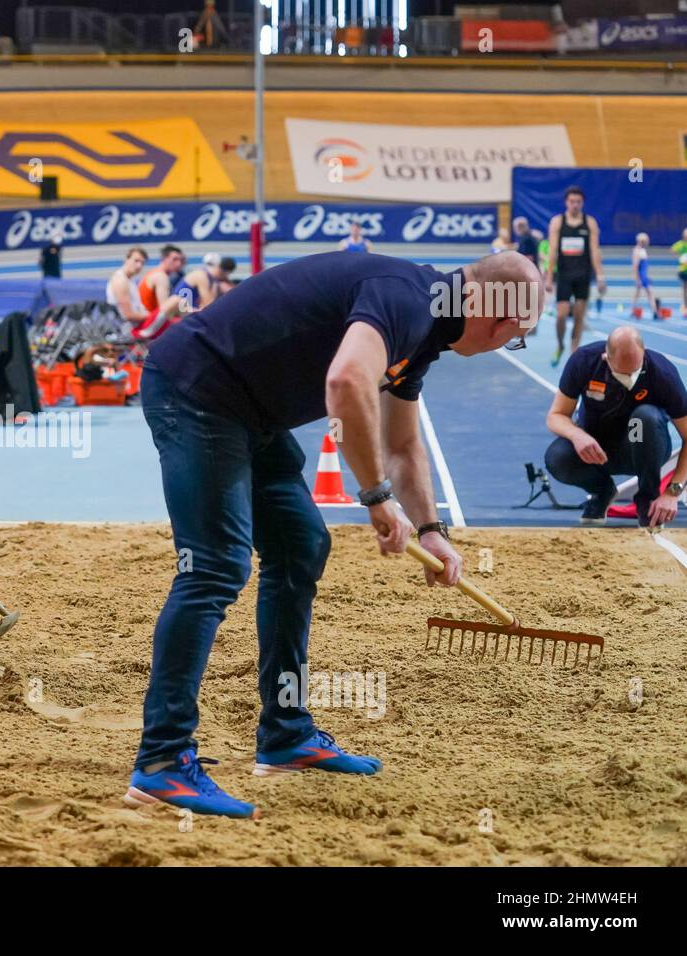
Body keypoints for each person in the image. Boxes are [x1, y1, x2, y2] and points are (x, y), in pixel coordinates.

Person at [122, 250, 541, 818]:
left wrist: (431, 530)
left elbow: (402, 444)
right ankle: (161, 762)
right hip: (197, 389)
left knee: (301, 546)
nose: (502, 346)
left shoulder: (428, 331)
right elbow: (345, 381)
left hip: (250, 412)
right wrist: (374, 497)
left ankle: (285, 735)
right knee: (216, 566)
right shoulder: (407, 299)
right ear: (492, 316)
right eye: (513, 337)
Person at [544, 326, 687, 527]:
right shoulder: (584, 362)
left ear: (644, 354)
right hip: (596, 449)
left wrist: (673, 492)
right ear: (606, 358)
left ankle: (648, 499)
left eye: (635, 370)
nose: (629, 378)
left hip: (641, 447)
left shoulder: (662, 373)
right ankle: (603, 491)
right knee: (557, 457)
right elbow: (556, 416)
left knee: (644, 418)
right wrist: (577, 435)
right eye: (622, 373)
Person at [546, 186, 606, 367]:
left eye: (578, 202)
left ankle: (574, 352)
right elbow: (553, 251)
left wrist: (600, 275)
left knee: (579, 316)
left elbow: (595, 251)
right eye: (572, 202)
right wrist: (549, 277)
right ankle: (560, 344)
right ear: (566, 202)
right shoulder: (557, 222)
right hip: (564, 275)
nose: (575, 205)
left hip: (583, 275)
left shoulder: (590, 223)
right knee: (561, 315)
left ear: (582, 203)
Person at [138, 244, 186, 315]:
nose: (179, 263)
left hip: (150, 317)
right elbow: (165, 311)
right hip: (149, 319)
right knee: (177, 301)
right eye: (175, 259)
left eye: (180, 260)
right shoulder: (161, 276)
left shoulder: (154, 273)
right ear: (164, 259)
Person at [629, 233, 663, 321]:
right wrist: (638, 279)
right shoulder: (637, 251)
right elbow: (635, 266)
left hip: (643, 275)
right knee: (650, 293)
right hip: (641, 276)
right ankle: (655, 311)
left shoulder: (642, 250)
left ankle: (633, 310)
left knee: (638, 294)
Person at [672, 227, 687, 319]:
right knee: (685, 289)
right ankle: (685, 307)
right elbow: (672, 250)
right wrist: (680, 257)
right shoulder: (680, 245)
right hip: (683, 271)